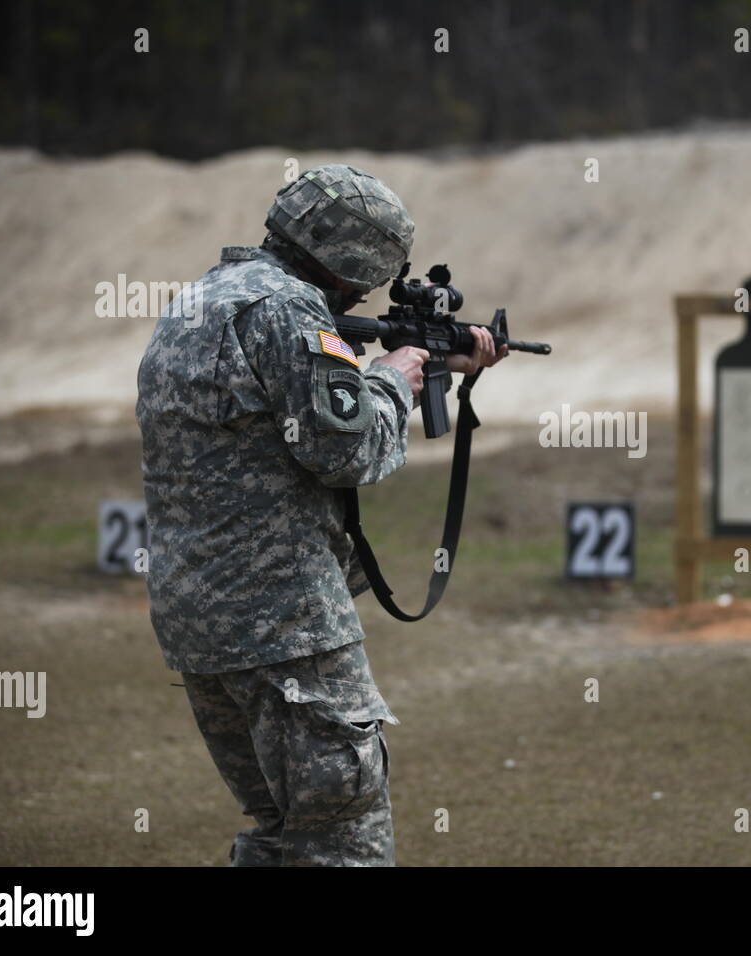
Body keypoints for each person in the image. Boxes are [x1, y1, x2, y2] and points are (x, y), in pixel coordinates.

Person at [135, 163, 505, 866]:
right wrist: (396, 377)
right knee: (341, 840)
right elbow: (351, 451)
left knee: (282, 832)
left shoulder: (202, 298)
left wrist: (419, 359)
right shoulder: (285, 311)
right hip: (284, 625)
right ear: (358, 258)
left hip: (201, 622)